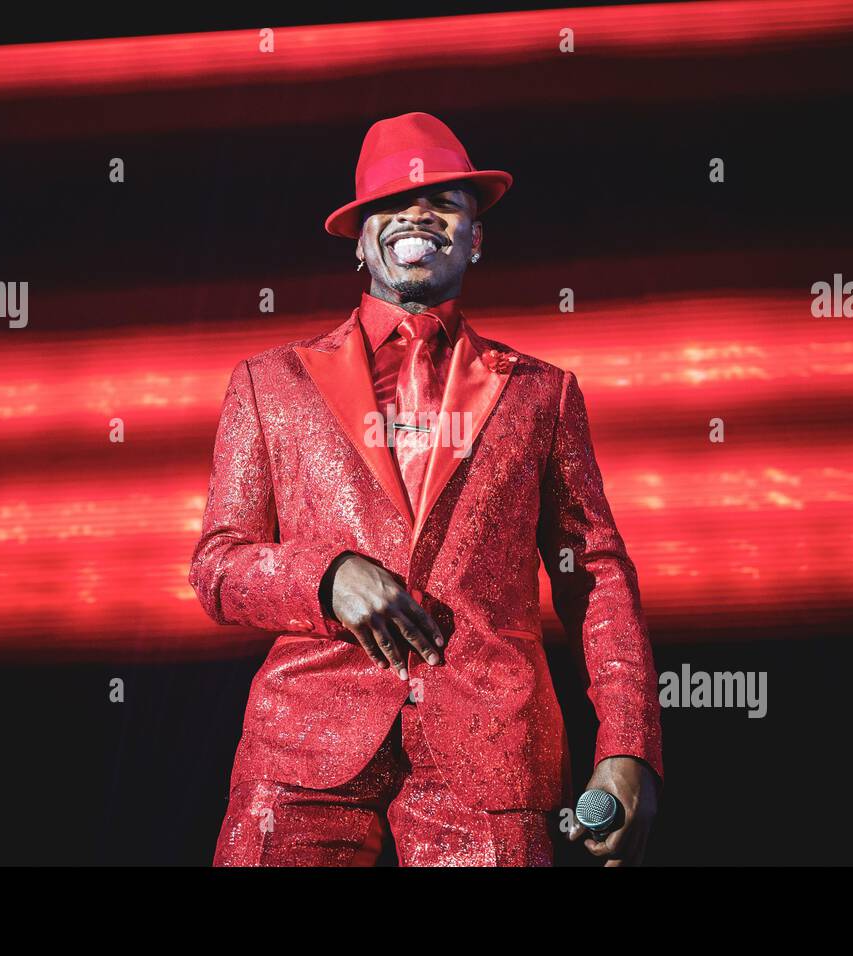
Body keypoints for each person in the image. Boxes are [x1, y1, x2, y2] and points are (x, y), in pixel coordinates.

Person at [191, 112, 662, 866]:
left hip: (492, 750)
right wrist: (325, 578)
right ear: (359, 240)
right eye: (393, 203)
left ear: (476, 237)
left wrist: (628, 745)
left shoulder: (543, 393)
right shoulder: (268, 384)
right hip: (300, 750)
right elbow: (217, 567)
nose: (418, 214)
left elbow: (597, 576)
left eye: (445, 202)